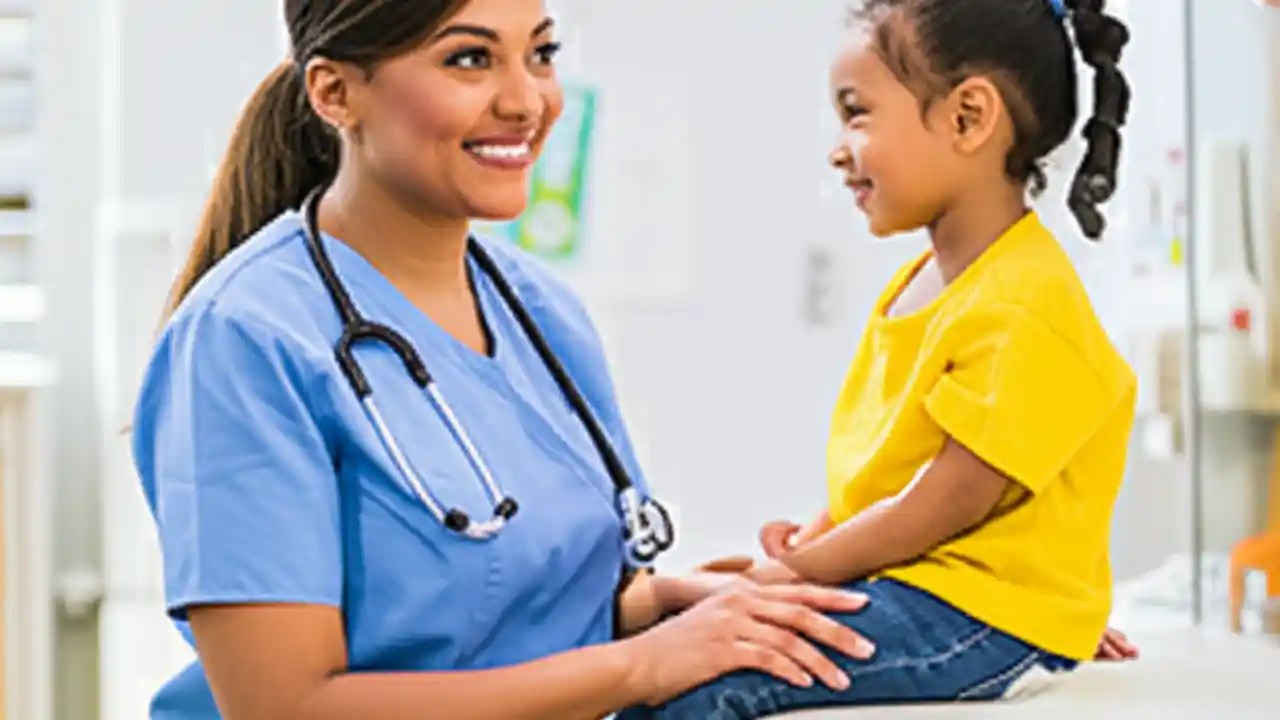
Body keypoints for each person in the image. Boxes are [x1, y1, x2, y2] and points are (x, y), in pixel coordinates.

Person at [130, 1, 882, 718]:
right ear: (334, 92)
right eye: (469, 59)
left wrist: (656, 608)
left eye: (542, 54)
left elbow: (496, 610)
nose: (528, 101)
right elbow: (284, 707)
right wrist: (643, 664)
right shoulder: (246, 338)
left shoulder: (541, 311)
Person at [617, 1, 1140, 717]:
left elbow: (945, 502)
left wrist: (793, 572)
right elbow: (903, 462)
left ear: (967, 119)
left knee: (698, 683)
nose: (838, 148)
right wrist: (821, 533)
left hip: (971, 605)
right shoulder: (934, 281)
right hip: (944, 587)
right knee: (680, 637)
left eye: (857, 114)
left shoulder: (1025, 302)